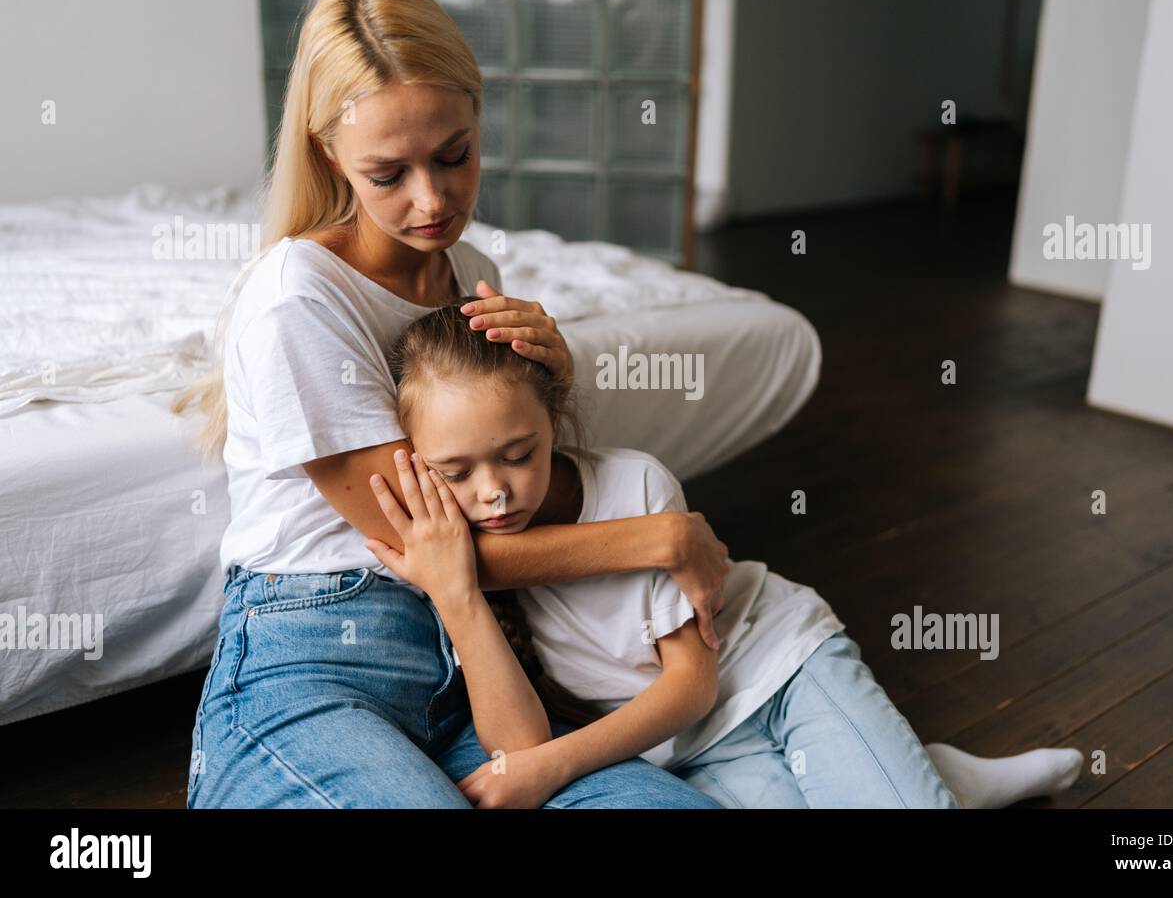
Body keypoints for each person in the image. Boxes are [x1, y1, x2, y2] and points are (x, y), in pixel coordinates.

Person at [173, 0, 728, 808]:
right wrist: (663, 537)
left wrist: (556, 379)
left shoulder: (475, 277)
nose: (431, 200)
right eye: (387, 172)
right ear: (330, 154)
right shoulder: (299, 297)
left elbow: (499, 492)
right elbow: (436, 549)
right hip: (317, 658)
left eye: (454, 155)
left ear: (477, 119)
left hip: (482, 660)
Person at [361, 301, 1086, 808]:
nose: (493, 493)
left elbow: (692, 687)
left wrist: (551, 766)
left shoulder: (635, 484)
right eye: (456, 474)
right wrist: (456, 594)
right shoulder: (455, 552)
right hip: (692, 749)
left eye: (518, 455)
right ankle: (932, 772)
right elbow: (515, 741)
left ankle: (907, 772)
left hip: (778, 671)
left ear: (553, 421)